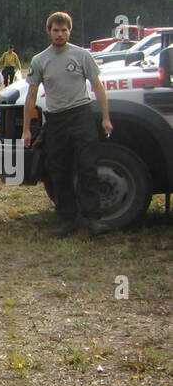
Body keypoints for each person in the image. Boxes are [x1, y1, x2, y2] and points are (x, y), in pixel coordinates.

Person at [21, 12, 113, 237]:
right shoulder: (40, 60)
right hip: (56, 120)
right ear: (49, 32)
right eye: (55, 30)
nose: (60, 34)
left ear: (69, 31)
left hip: (81, 115)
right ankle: (67, 220)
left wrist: (105, 117)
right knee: (58, 171)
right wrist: (25, 130)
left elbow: (97, 86)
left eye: (64, 30)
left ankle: (92, 220)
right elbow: (31, 95)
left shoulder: (81, 56)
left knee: (87, 168)